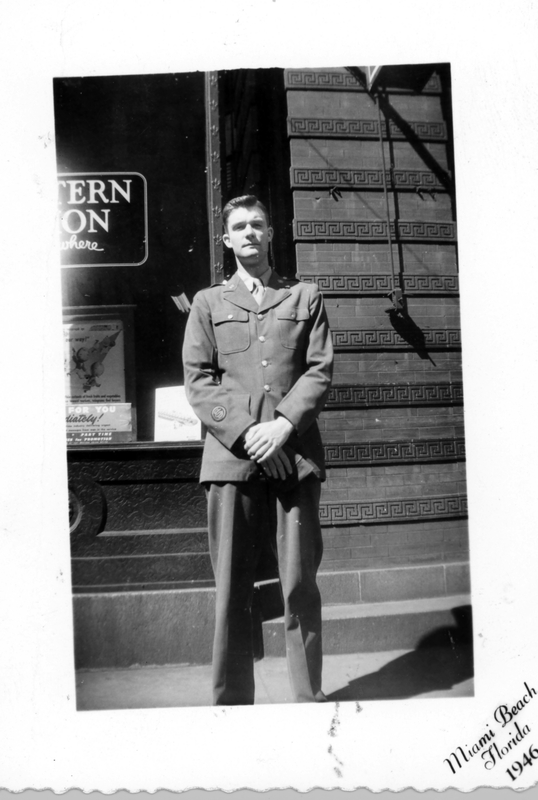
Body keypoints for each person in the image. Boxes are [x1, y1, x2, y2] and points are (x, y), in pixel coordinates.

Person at [182, 195, 333, 705]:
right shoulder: (208, 304)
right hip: (232, 458)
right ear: (226, 239)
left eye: (257, 225)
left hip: (295, 456)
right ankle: (231, 709)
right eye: (239, 227)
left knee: (299, 586)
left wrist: (284, 426)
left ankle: (309, 701)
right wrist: (252, 434)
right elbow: (199, 382)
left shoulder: (305, 297)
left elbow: (318, 370)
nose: (249, 233)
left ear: (271, 233)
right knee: (232, 589)